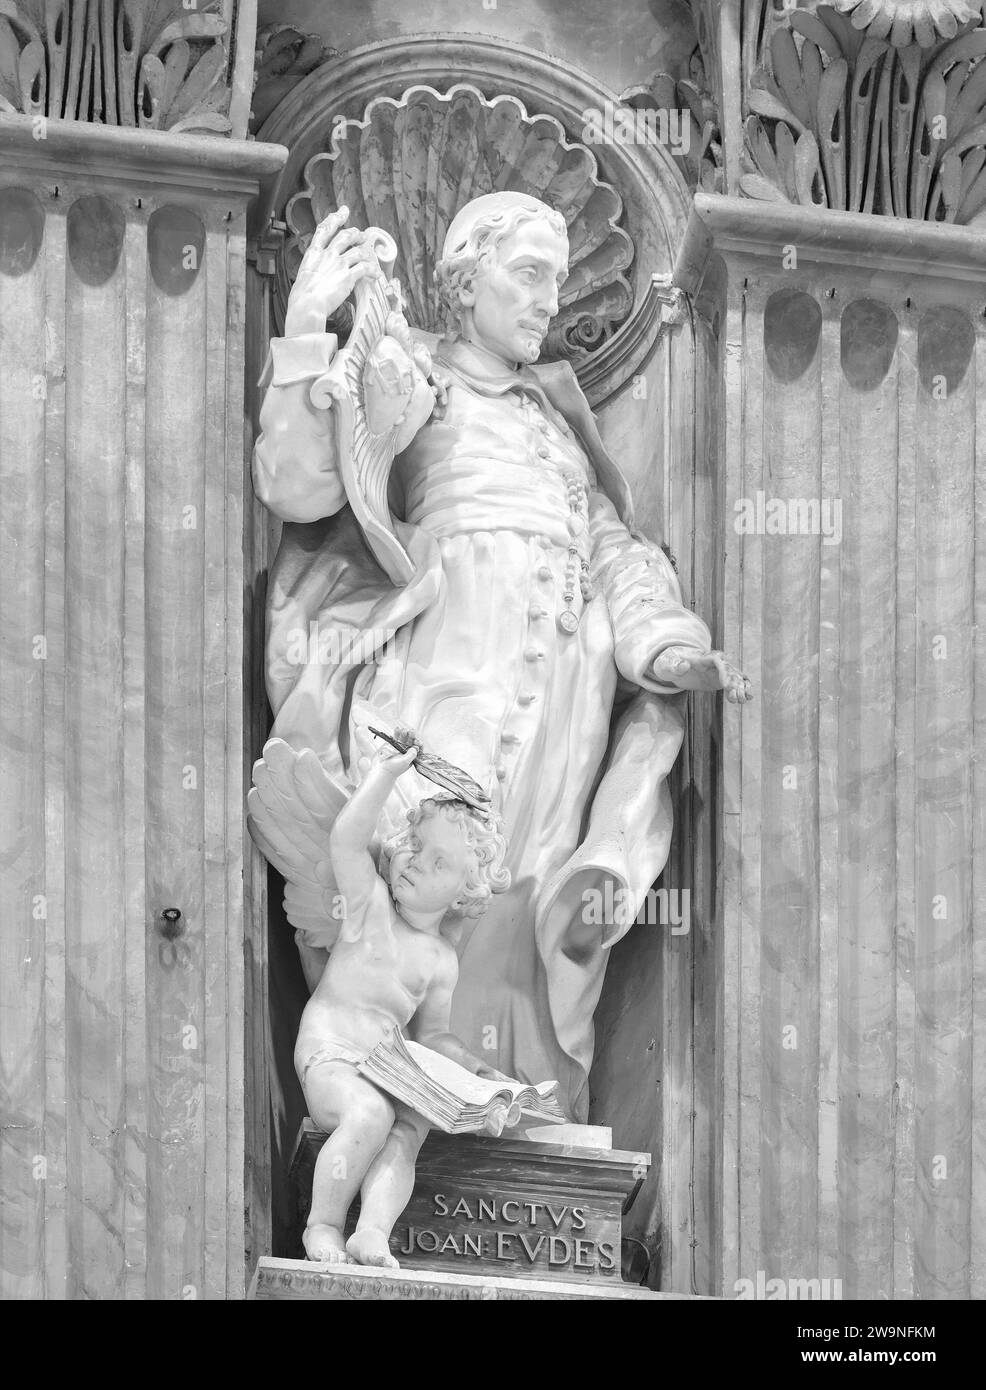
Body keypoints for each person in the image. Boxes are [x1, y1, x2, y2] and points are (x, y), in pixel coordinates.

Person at [254, 191, 751, 1118]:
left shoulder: (556, 419)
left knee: (533, 880)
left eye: (558, 282)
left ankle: (521, 1106)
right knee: (437, 868)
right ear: (464, 277)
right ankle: (392, 1100)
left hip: (566, 676)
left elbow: (612, 547)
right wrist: (302, 331)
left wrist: (665, 644)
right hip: (452, 650)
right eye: (528, 275)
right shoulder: (410, 373)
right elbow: (299, 489)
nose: (546, 302)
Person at [296, 740, 510, 1266]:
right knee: (368, 1113)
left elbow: (432, 1036)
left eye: (438, 862)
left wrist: (480, 1074)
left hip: (389, 1067)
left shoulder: (440, 959)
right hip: (333, 1055)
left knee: (410, 1125)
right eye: (414, 842)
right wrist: (387, 774)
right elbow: (346, 841)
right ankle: (321, 1225)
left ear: (464, 892)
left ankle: (372, 1230)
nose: (416, 860)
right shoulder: (369, 906)